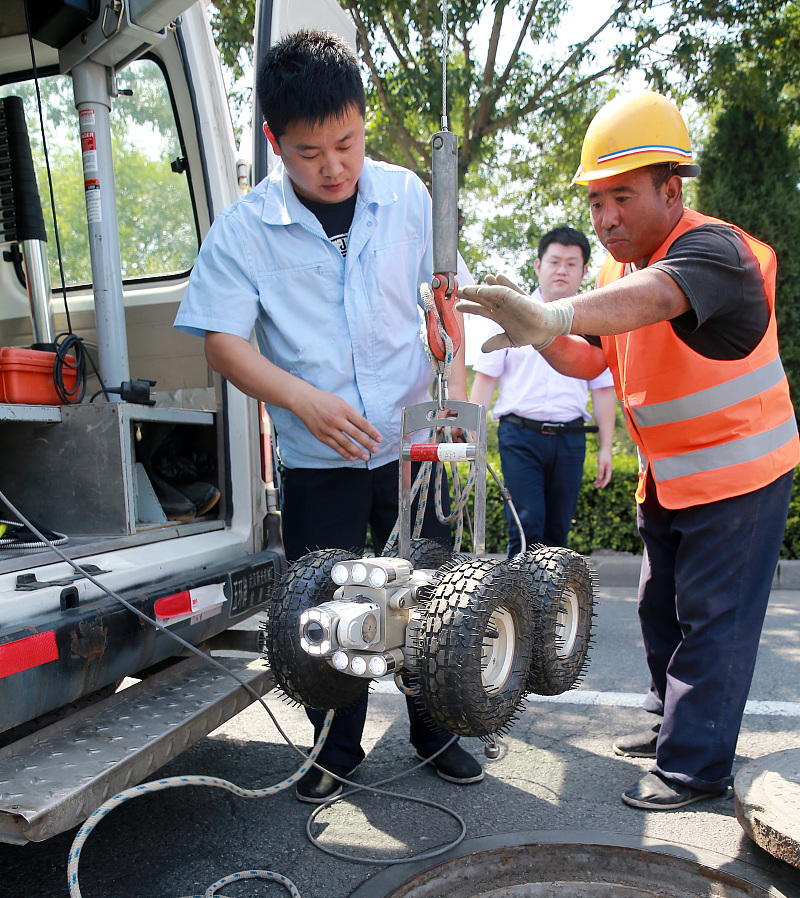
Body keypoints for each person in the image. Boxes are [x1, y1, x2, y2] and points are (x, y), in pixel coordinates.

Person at [457, 90, 799, 811]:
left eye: (621, 197)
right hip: (672, 477)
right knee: (659, 608)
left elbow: (661, 297)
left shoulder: (714, 251)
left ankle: (694, 767)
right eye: (595, 202)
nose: (606, 218)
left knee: (713, 620)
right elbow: (591, 358)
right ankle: (668, 719)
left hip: (739, 475)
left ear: (672, 191)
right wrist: (541, 332)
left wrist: (552, 311)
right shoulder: (618, 274)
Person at [174, 29, 484, 802]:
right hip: (320, 457)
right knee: (328, 606)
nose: (334, 166)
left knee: (429, 593)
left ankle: (437, 732)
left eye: (347, 143)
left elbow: (446, 299)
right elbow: (221, 342)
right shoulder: (246, 228)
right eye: (309, 152)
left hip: (412, 445)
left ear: (363, 122)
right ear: (275, 141)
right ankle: (335, 748)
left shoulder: (408, 197)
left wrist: (451, 364)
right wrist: (300, 399)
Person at [469, 226, 616, 553]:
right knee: (526, 525)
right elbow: (486, 379)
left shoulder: (593, 322)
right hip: (520, 437)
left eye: (571, 264)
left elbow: (604, 389)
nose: (562, 270)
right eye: (554, 262)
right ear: (538, 265)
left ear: (584, 270)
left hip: (571, 439)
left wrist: (606, 447)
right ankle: (519, 588)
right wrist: (471, 437)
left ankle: (554, 589)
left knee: (558, 533)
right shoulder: (510, 314)